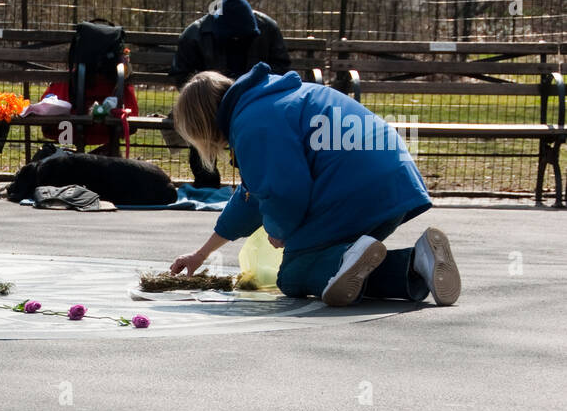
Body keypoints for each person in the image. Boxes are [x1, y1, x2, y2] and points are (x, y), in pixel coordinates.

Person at [168, 65, 461, 307]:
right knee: (339, 266)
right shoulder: (269, 100)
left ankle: (346, 258)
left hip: (354, 189)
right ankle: (418, 262)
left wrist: (279, 230)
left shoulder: (252, 124)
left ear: (203, 127)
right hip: (393, 182)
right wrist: (201, 254)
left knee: (295, 274)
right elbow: (252, 197)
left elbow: (283, 192)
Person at [165, 0, 291, 187]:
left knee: (257, 125)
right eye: (233, 38)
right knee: (202, 119)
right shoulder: (196, 34)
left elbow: (281, 65)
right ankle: (206, 182)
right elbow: (181, 74)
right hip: (210, 98)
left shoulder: (267, 29)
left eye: (242, 38)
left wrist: (258, 89)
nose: (238, 40)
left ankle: (253, 182)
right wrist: (203, 94)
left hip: (254, 97)